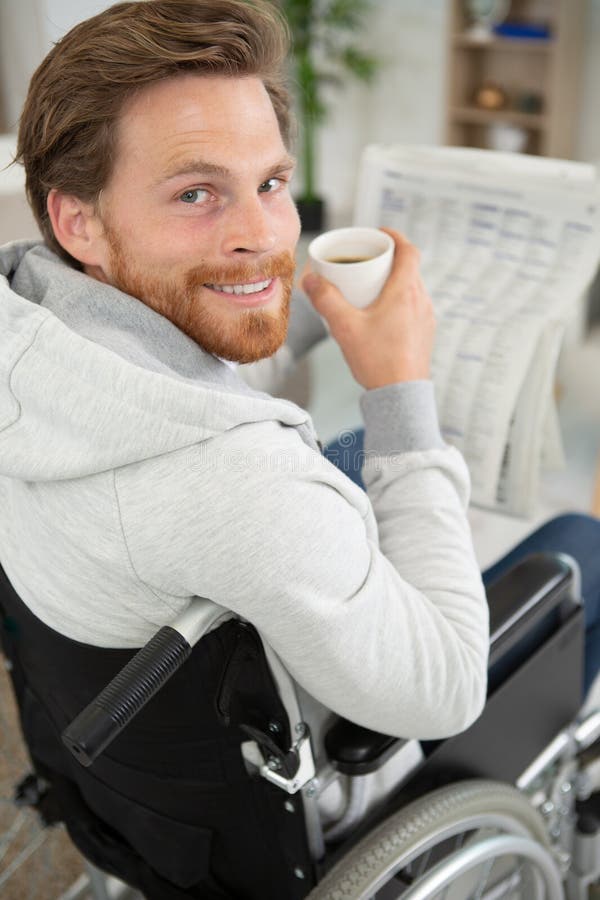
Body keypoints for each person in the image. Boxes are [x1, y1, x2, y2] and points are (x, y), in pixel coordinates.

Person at [0, 0, 589, 896]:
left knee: (346, 446)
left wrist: (290, 307)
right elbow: (445, 691)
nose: (266, 234)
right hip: (310, 804)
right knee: (581, 549)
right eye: (196, 193)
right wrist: (399, 391)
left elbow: (173, 395)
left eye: (270, 183)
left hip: (126, 769)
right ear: (77, 220)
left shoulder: (29, 320)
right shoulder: (239, 486)